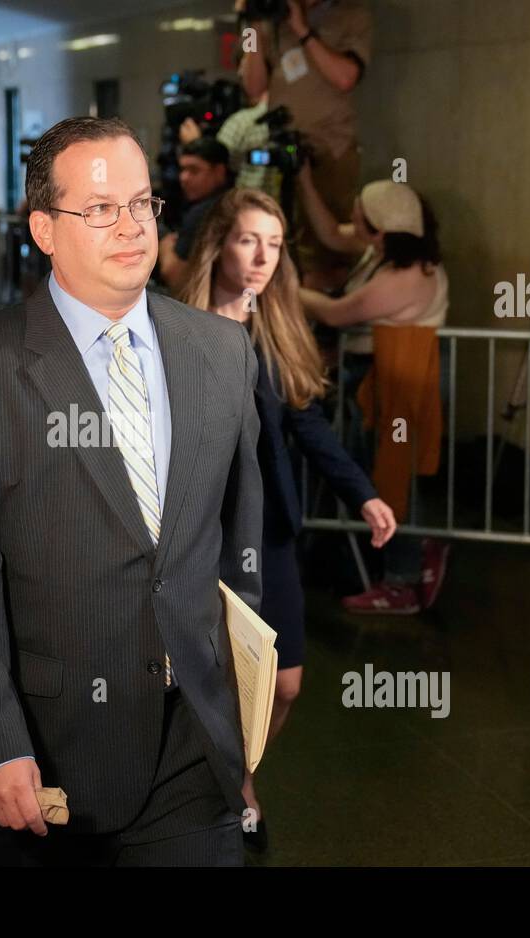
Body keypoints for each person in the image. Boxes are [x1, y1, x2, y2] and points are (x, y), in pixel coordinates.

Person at [0, 116, 263, 866]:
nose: (130, 227)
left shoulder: (222, 353)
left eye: (141, 203)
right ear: (43, 228)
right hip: (47, 755)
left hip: (193, 747)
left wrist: (249, 703)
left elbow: (241, 533)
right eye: (98, 209)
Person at [180, 187, 395, 848]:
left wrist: (363, 492)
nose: (262, 257)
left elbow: (308, 423)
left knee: (287, 682)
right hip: (195, 533)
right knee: (201, 678)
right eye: (249, 240)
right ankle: (214, 795)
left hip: (265, 530)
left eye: (274, 244)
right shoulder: (175, 329)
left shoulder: (273, 331)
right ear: (220, 243)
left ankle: (238, 776)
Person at [296, 170, 450, 614]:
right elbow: (330, 232)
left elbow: (340, 312)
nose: (351, 221)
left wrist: (282, 288)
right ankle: (413, 556)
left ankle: (403, 578)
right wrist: (306, 178)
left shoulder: (407, 275)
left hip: (397, 386)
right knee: (377, 470)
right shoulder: (383, 253)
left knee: (391, 475)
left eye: (358, 216)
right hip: (375, 381)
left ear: (378, 229)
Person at [239, 0, 372, 289]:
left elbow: (346, 76)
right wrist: (251, 25)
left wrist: (302, 29)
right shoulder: (274, 19)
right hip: (284, 150)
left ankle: (320, 321)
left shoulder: (349, 13)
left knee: (325, 254)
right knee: (284, 242)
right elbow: (253, 87)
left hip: (329, 149)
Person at [158, 137, 232, 292]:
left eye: (194, 170)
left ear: (219, 171)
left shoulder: (205, 213)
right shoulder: (233, 201)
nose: (183, 178)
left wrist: (163, 238)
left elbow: (174, 275)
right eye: (182, 170)